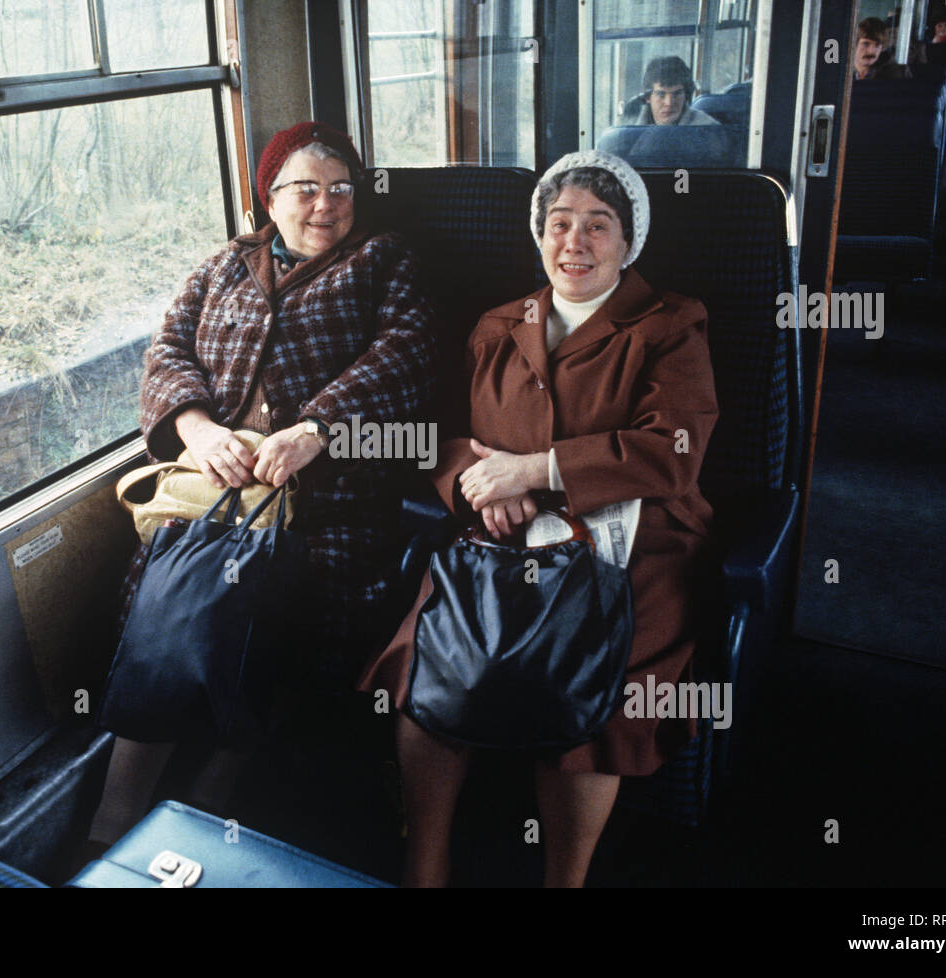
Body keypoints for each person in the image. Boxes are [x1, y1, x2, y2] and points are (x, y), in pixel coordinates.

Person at [359, 150, 719, 887]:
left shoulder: (671, 325)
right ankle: (423, 866)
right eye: (559, 225)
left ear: (628, 242)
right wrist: (479, 481)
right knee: (433, 666)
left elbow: (672, 453)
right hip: (500, 541)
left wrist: (535, 469)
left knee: (591, 688)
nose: (575, 244)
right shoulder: (498, 325)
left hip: (632, 554)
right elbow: (442, 437)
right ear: (539, 234)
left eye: (598, 226)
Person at [86, 121, 437, 850]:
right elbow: (168, 351)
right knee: (177, 586)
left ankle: (213, 792)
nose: (325, 205)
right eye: (305, 189)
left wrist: (316, 429)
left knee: (273, 595)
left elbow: (407, 353)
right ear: (268, 197)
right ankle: (116, 817)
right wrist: (198, 431)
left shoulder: (383, 261)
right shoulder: (221, 266)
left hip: (329, 499)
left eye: (341, 189)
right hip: (215, 490)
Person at [635, 56, 719, 126]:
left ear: (686, 95)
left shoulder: (707, 129)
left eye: (677, 94)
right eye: (661, 94)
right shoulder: (627, 127)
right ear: (647, 97)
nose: (669, 103)